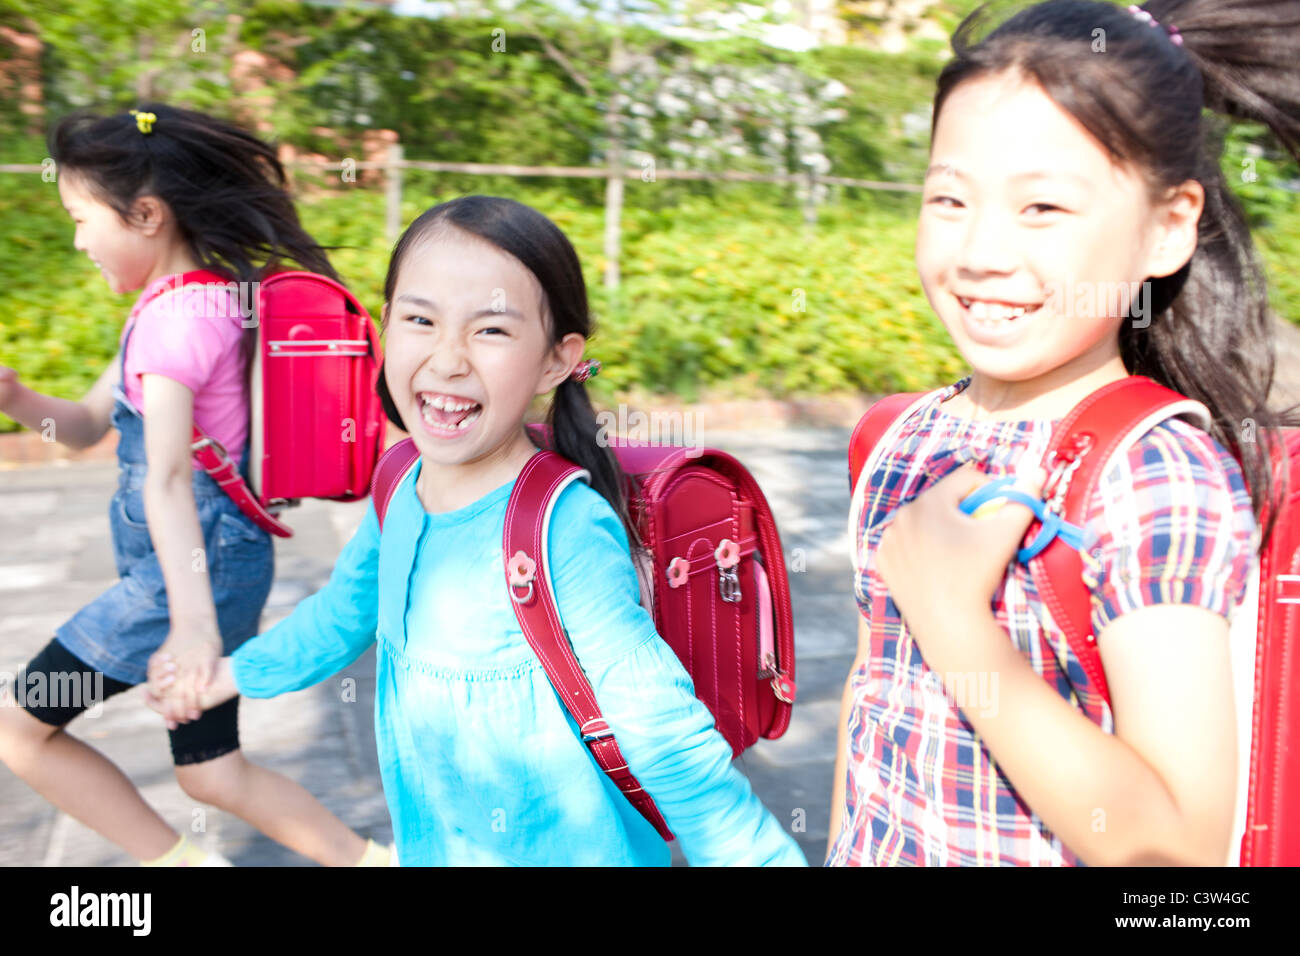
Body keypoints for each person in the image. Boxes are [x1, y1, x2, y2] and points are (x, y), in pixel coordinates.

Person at [151, 195, 807, 866]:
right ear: (385, 327)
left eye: (490, 330)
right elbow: (343, 614)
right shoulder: (400, 482)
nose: (448, 358)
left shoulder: (561, 527)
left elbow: (662, 733)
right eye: (419, 319)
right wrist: (229, 676)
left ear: (557, 360)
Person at [827, 0, 1299, 866]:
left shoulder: (1153, 473)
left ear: (1167, 227)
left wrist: (952, 617)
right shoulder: (904, 438)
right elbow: (872, 716)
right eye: (949, 198)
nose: (979, 250)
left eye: (1041, 207)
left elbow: (1175, 851)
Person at [0, 104, 391, 867]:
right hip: (209, 570)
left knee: (19, 727)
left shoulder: (177, 323)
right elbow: (83, 425)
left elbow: (172, 479)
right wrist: (17, 402)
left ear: (145, 214)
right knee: (212, 772)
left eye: (81, 218)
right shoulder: (188, 303)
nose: (77, 240)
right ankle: (377, 864)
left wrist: (191, 628)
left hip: (179, 581)